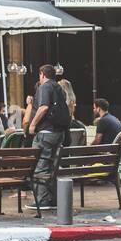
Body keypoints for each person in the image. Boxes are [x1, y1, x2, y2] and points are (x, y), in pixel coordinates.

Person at [27, 64, 71, 207]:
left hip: (45, 133)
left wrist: (32, 124)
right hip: (58, 133)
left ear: (42, 75)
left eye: (39, 75)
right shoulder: (59, 88)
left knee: (40, 166)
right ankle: (53, 198)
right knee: (52, 166)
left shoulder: (44, 87)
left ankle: (41, 200)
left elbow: (44, 107)